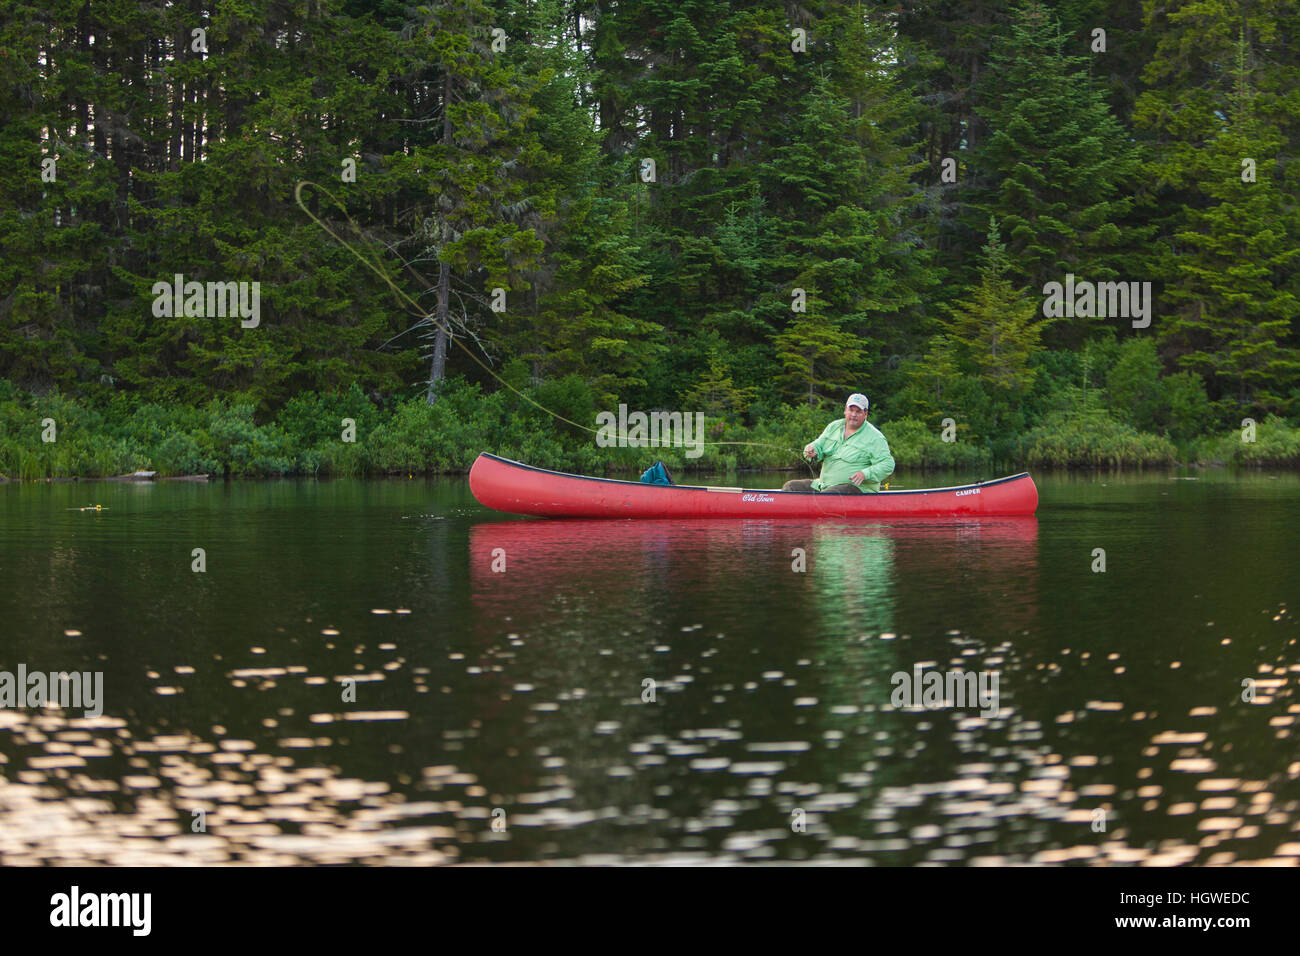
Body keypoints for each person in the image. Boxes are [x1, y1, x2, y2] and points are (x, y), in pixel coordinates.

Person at [782, 393, 894, 494]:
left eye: (858, 411)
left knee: (829, 495)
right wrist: (811, 450)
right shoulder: (834, 427)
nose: (853, 414)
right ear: (845, 411)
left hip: (857, 488)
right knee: (790, 487)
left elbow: (888, 464)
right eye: (851, 410)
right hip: (823, 485)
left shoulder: (875, 437)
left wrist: (865, 474)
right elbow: (818, 446)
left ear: (865, 414)